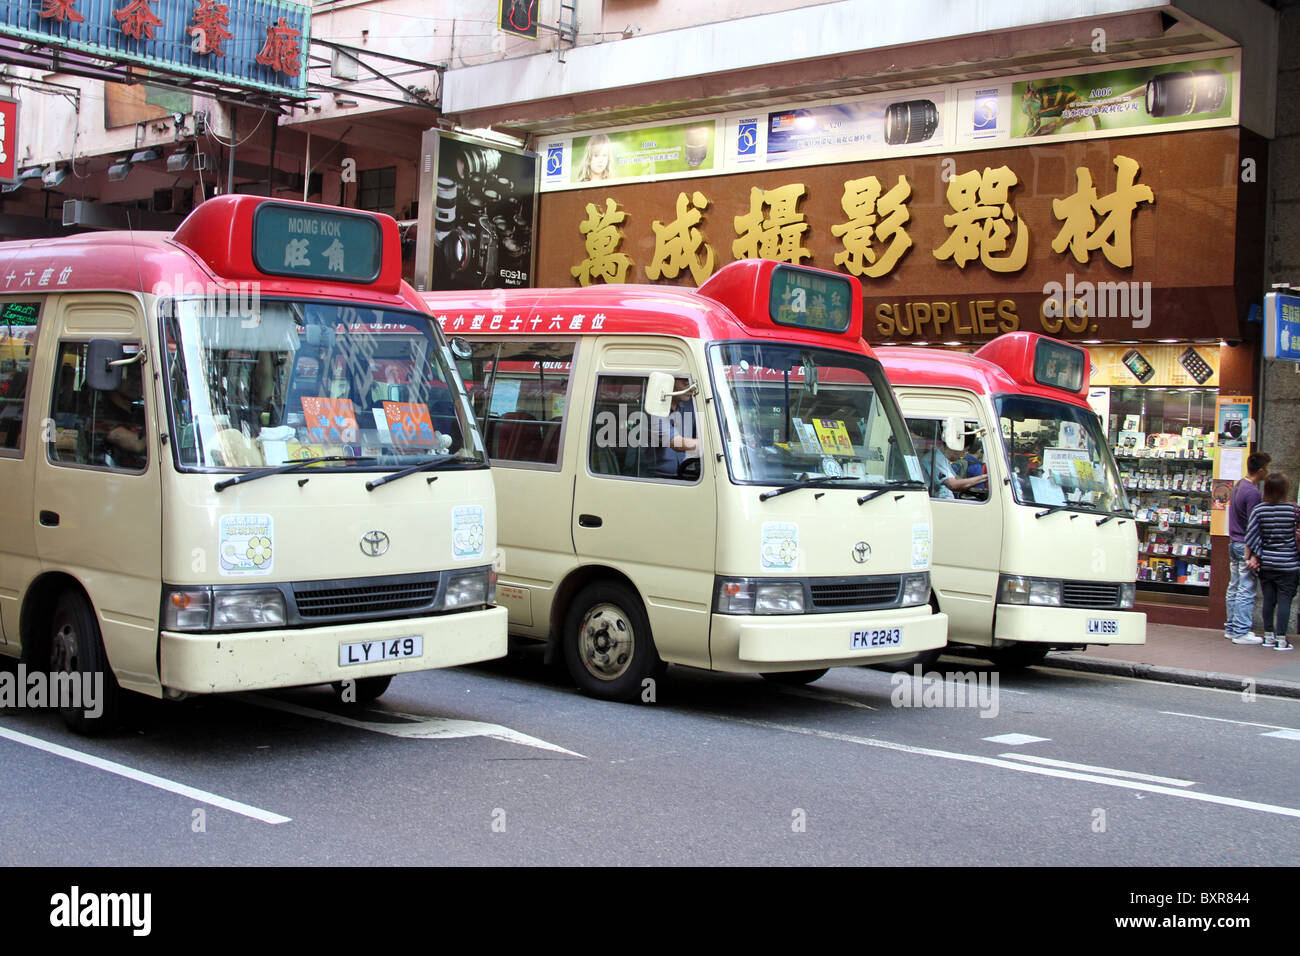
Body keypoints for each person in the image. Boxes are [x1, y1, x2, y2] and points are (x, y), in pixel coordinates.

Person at [1240, 472, 1297, 650]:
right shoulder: (1293, 510)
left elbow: (1250, 536)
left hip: (1267, 563)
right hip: (1289, 563)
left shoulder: (1259, 510)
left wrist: (1248, 557)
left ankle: (1269, 636)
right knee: (1285, 601)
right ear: (1284, 490)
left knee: (1268, 600)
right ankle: (1281, 639)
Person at [1225, 451, 1270, 641]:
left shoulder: (1239, 485)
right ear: (1260, 470)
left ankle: (1231, 627)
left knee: (1234, 586)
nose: (1267, 472)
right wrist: (1253, 553)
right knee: (1246, 588)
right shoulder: (1252, 492)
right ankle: (1241, 631)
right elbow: (1254, 524)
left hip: (1234, 541)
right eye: (1266, 468)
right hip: (1245, 544)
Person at [911, 426, 986, 499]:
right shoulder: (936, 457)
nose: (963, 455)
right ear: (958, 446)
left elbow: (957, 479)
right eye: (965, 451)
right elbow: (953, 484)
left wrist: (977, 485)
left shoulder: (943, 459)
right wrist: (984, 477)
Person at [650, 377, 699, 479]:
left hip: (684, 472)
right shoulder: (653, 409)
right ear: (667, 382)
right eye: (685, 383)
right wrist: (712, 445)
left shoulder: (691, 405)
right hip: (656, 478)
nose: (690, 388)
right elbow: (676, 443)